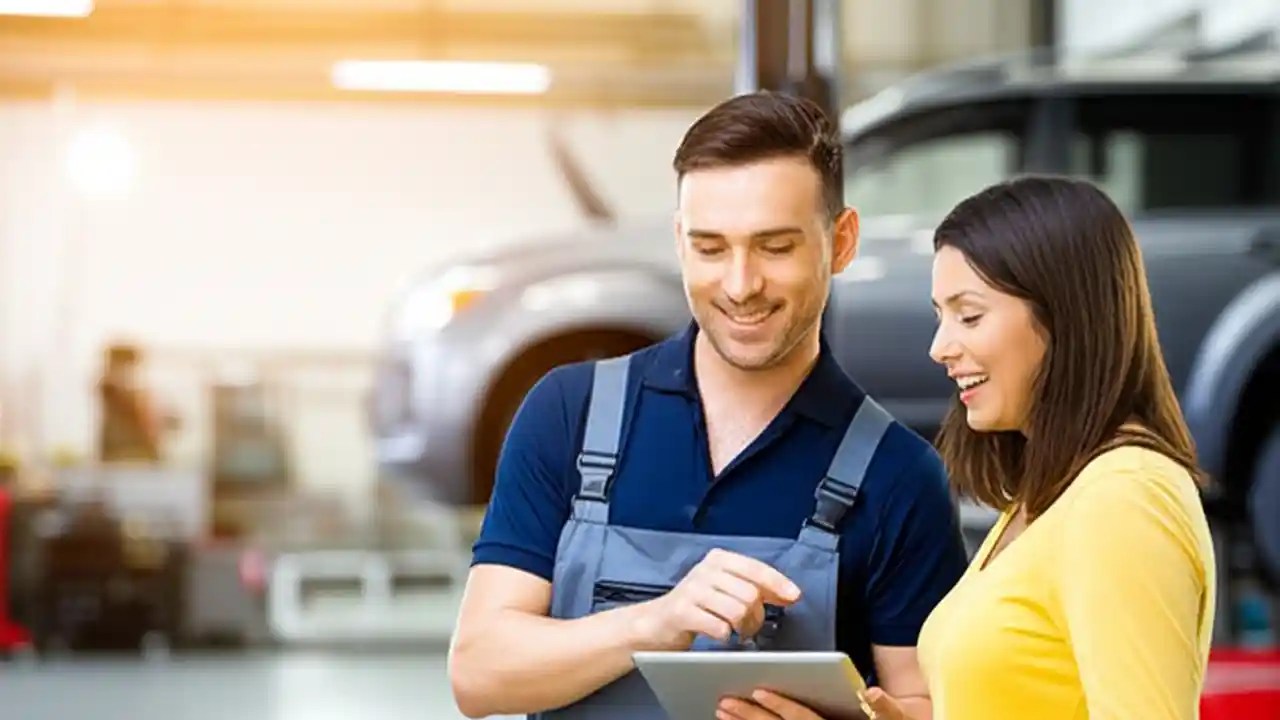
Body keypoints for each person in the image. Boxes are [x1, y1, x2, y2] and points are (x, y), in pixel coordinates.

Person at [448, 91, 969, 720]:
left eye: (775, 247)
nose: (741, 285)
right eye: (711, 248)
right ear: (679, 240)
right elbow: (478, 674)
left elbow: (929, 706)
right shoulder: (569, 415)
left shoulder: (898, 477)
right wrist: (655, 623)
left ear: (842, 241)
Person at [862, 176, 1217, 720]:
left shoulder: (1125, 499)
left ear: (1064, 317)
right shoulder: (1049, 496)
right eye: (940, 316)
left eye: (969, 315)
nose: (940, 347)